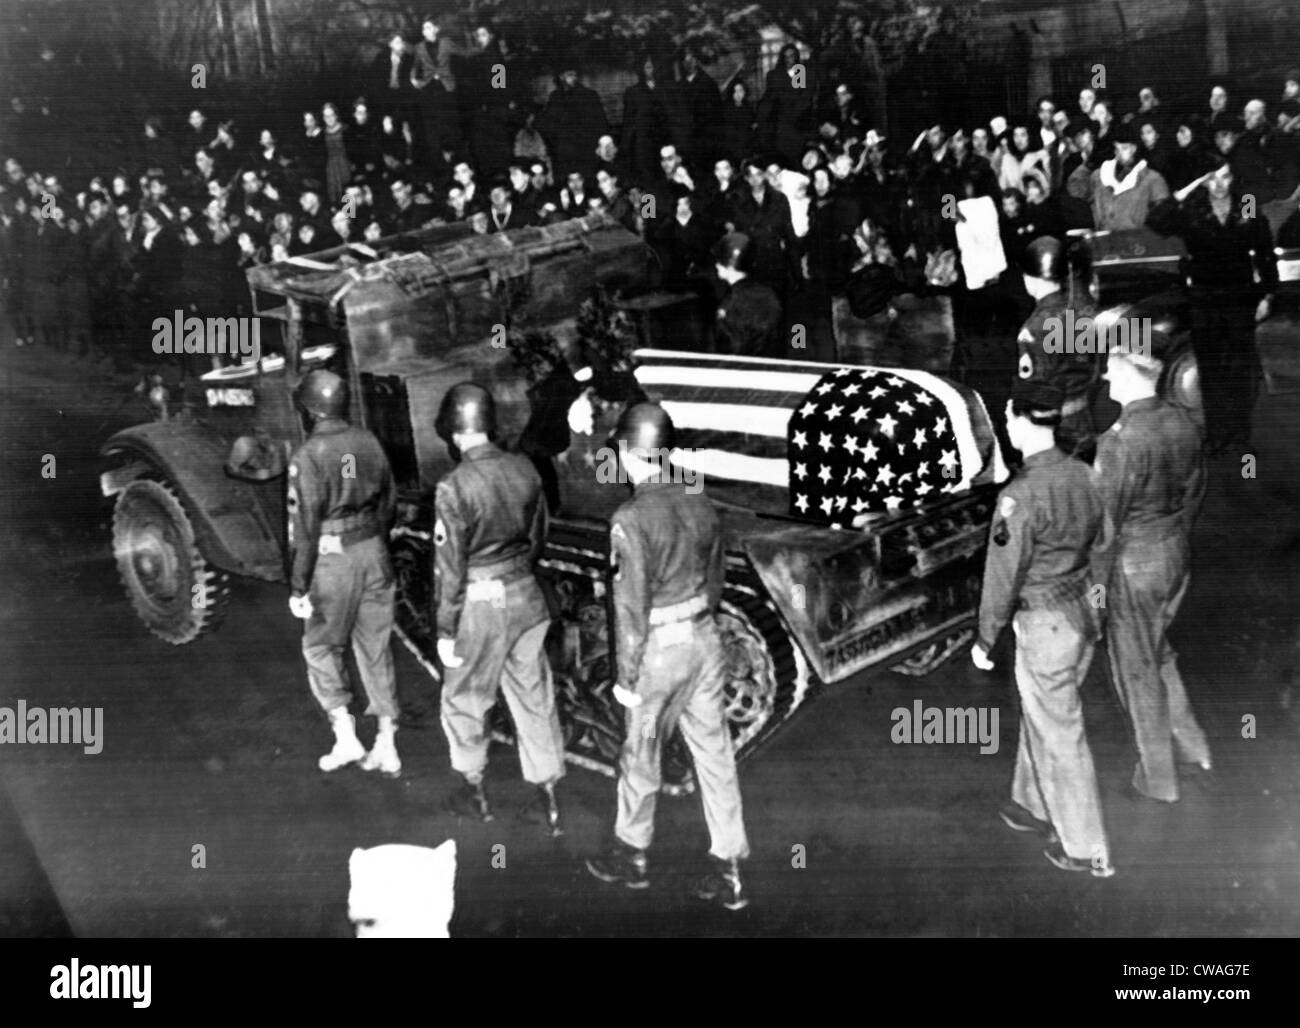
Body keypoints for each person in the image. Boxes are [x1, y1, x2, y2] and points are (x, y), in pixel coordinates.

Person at [585, 403, 751, 910]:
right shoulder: (700, 501)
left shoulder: (630, 519)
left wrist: (626, 675)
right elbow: (718, 578)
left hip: (658, 656)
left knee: (643, 750)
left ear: (626, 451)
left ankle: (632, 856)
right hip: (704, 643)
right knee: (715, 753)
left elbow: (629, 606)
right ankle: (729, 869)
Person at [971, 379, 1114, 879]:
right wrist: (1097, 608)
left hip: (1045, 626)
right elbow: (1104, 547)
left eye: (1007, 418)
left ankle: (1086, 847)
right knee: (1047, 715)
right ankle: (1030, 805)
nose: (1006, 426)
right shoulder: (1087, 474)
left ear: (1020, 422)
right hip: (1080, 614)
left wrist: (985, 639)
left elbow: (1002, 576)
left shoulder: (1020, 496)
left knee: (1061, 732)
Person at [432, 383, 565, 835]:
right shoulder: (525, 467)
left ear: (453, 431)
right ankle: (547, 800)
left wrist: (446, 629)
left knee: (466, 697)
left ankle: (475, 794)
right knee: (533, 696)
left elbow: (449, 567)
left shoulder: (453, 485)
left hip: (478, 604)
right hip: (526, 596)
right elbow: (538, 534)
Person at [1091, 329, 1215, 804]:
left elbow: (1104, 528)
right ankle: (1195, 748)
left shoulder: (1119, 442)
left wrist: (1093, 593)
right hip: (1174, 552)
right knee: (1159, 654)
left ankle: (1158, 780)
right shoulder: (1184, 423)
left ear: (1129, 375)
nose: (1104, 375)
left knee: (1135, 670)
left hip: (1133, 566)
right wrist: (1174, 535)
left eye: (1111, 368)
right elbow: (1194, 491)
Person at [287, 370, 402, 779]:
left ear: (310, 409)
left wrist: (299, 585)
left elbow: (305, 526)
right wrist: (372, 541)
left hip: (331, 559)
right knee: (376, 648)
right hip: (373, 551)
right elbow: (390, 499)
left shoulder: (308, 456)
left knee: (321, 647)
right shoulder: (368, 441)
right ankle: (387, 745)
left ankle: (346, 739)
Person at [1148, 159, 1276, 450]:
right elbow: (1155, 220)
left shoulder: (1246, 205)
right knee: (1212, 371)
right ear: (1204, 181)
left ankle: (1240, 437)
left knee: (1241, 371)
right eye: (1211, 179)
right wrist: (1188, 188)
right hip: (1205, 301)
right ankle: (1217, 435)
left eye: (1224, 177)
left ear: (1233, 178)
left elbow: (1266, 253)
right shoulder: (1193, 210)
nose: (1219, 185)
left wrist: (1268, 295)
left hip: (1240, 300)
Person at [1013, 236, 1099, 460]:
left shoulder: (1033, 329)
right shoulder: (1083, 312)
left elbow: (1037, 391)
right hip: (1089, 418)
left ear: (1031, 279)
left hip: (1059, 431)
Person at [713, 232, 782, 358]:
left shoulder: (729, 304)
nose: (716, 265)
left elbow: (730, 351)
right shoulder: (769, 294)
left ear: (728, 266)